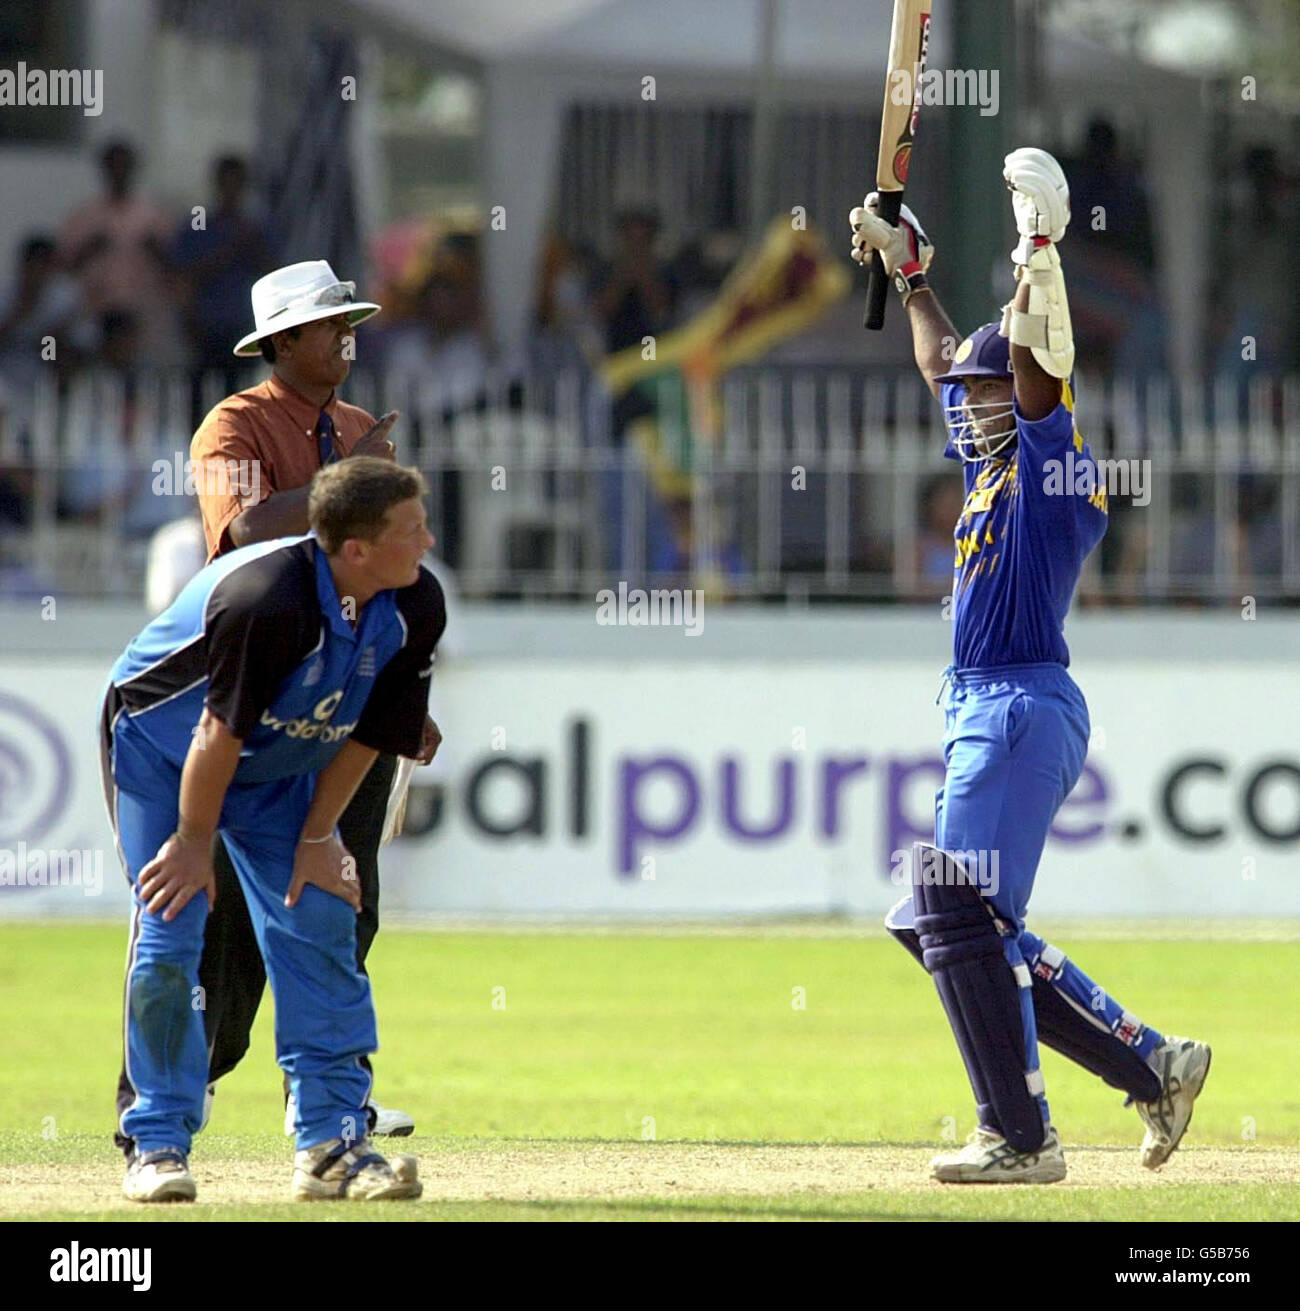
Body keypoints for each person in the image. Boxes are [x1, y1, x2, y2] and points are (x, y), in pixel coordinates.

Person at [849, 148, 1211, 1184]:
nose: (964, 403)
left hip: (1019, 705)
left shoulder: (1050, 463)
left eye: (984, 388)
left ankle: (1020, 1136)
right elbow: (938, 364)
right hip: (985, 707)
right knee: (940, 919)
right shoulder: (988, 450)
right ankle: (1152, 1065)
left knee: (952, 905)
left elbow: (1041, 371)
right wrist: (913, 274)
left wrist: (1036, 252)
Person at [110, 259, 435, 1152]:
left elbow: (385, 570)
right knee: (203, 912)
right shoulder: (234, 426)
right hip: (250, 686)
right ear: (283, 341)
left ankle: (330, 1099)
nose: (346, 335)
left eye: (348, 321)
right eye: (330, 324)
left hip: (342, 690)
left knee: (343, 890)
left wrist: (403, 695)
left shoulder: (360, 427)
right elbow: (242, 536)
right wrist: (349, 482)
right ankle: (169, 1094)